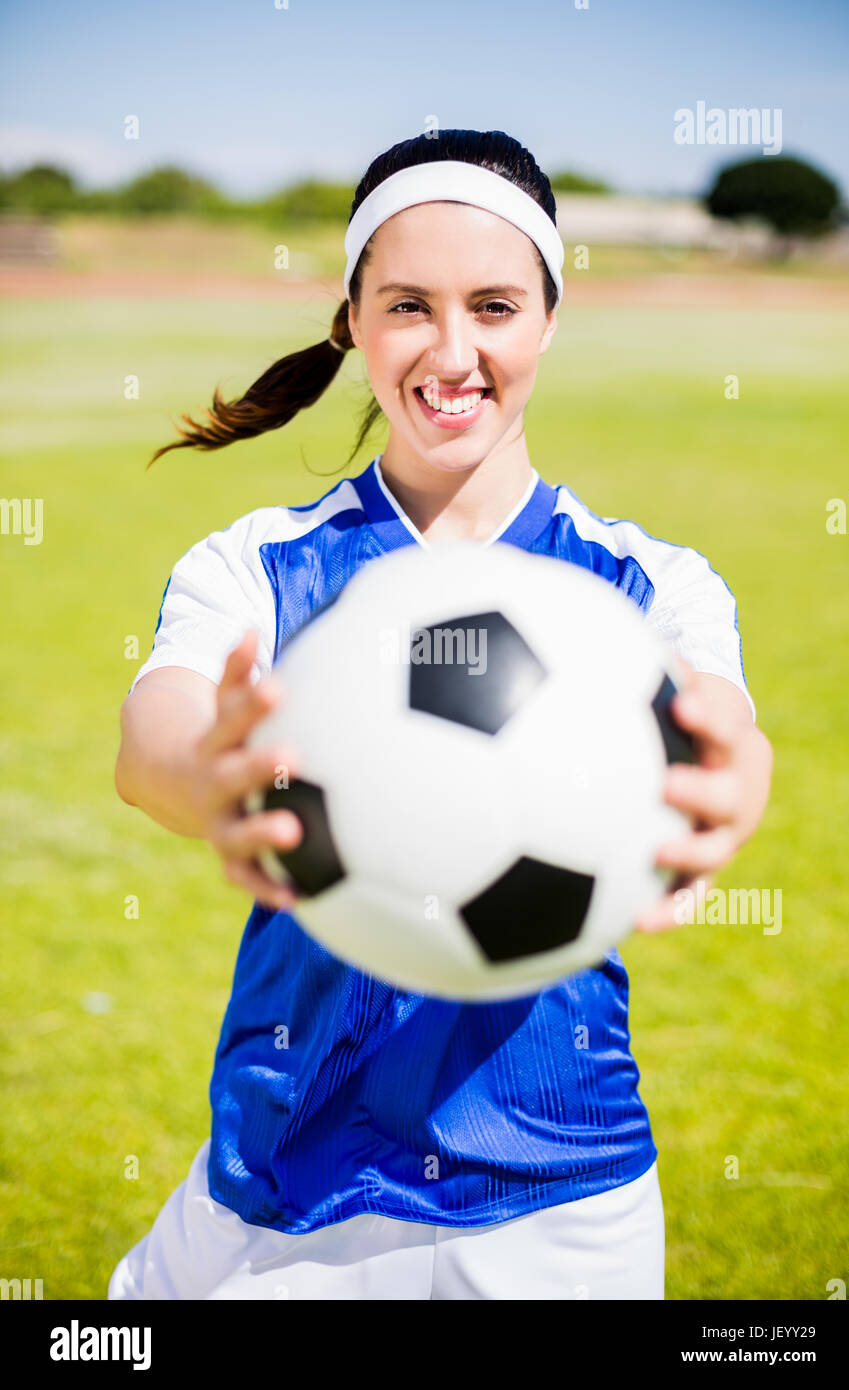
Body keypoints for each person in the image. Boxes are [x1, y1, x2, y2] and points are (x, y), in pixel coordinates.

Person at [108, 129, 772, 1301]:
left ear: (550, 320)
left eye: (496, 306)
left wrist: (728, 791)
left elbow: (720, 726)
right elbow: (152, 733)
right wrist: (204, 770)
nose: (451, 350)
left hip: (557, 1197)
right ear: (351, 320)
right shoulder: (259, 566)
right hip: (281, 1183)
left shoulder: (643, 585)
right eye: (408, 305)